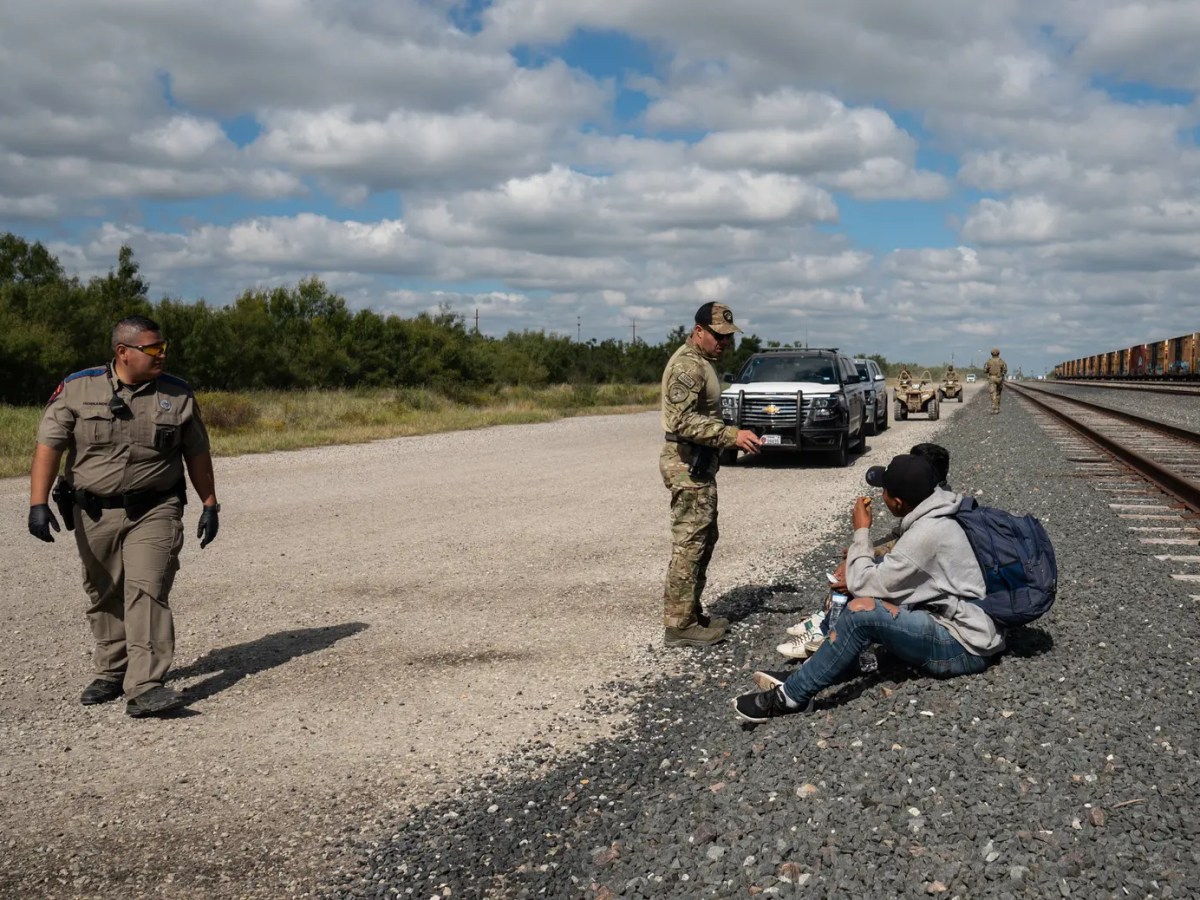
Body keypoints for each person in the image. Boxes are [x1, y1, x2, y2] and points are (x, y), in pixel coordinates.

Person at [28, 315, 220, 718]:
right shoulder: (78, 388)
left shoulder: (178, 394)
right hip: (93, 511)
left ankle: (146, 685)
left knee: (147, 589)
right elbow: (50, 445)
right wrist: (38, 503)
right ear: (123, 352)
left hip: (156, 508)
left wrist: (209, 503)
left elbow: (197, 453)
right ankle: (112, 671)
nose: (162, 354)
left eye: (163, 347)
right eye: (153, 349)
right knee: (104, 590)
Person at [735, 453, 1004, 722]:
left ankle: (791, 697)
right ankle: (810, 672)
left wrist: (861, 530)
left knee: (860, 612)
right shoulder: (944, 513)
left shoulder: (926, 535)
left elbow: (864, 585)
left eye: (884, 492)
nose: (880, 496)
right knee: (872, 605)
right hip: (966, 627)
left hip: (963, 647)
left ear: (898, 503)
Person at [776, 442, 954, 661]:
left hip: (933, 611)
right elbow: (898, 540)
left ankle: (828, 632)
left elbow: (891, 566)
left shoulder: (934, 520)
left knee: (856, 575)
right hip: (921, 583)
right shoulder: (931, 502)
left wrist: (861, 537)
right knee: (853, 562)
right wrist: (860, 552)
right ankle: (825, 620)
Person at [660, 302, 764, 647]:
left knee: (704, 539)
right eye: (718, 336)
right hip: (686, 465)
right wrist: (732, 435)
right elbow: (681, 421)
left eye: (728, 337)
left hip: (699, 464)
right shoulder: (688, 366)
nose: (724, 343)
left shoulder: (703, 362)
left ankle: (690, 611)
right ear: (698, 330)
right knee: (690, 544)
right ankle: (679, 625)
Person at [984, 348, 1008, 414]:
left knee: (993, 393)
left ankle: (995, 408)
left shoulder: (989, 361)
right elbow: (1005, 370)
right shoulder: (1002, 361)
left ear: (991, 353)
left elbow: (985, 370)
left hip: (992, 378)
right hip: (999, 378)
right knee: (998, 393)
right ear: (998, 353)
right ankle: (998, 407)